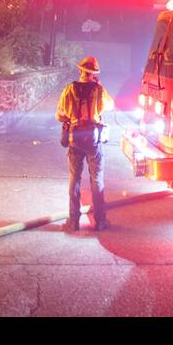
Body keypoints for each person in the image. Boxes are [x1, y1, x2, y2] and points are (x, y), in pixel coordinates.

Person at [56, 56, 114, 232]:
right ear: (94, 74)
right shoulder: (99, 90)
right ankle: (100, 221)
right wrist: (101, 87)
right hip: (94, 140)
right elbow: (110, 106)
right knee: (97, 179)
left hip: (75, 138)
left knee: (74, 179)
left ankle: (73, 221)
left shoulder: (69, 89)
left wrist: (72, 117)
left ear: (80, 71)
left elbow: (59, 114)